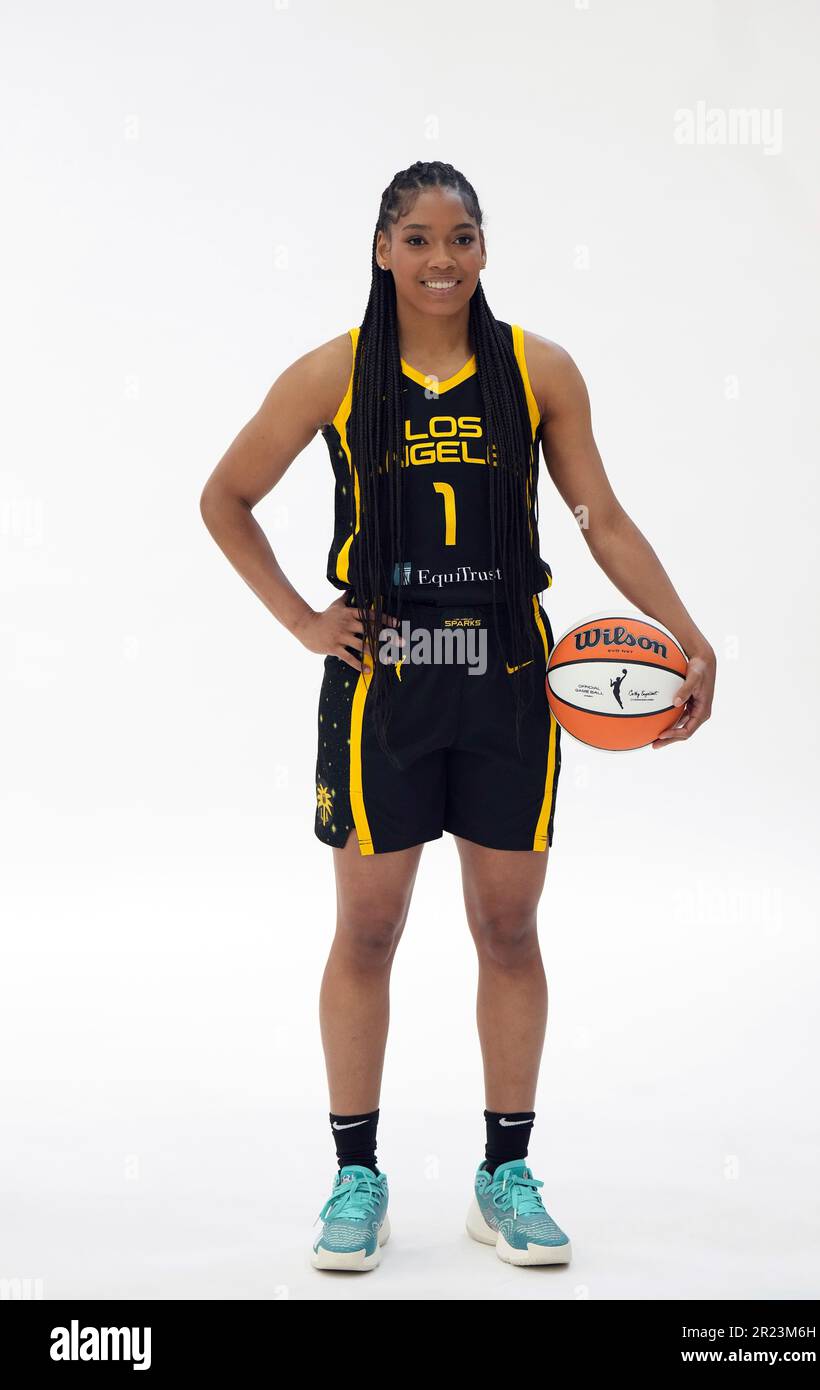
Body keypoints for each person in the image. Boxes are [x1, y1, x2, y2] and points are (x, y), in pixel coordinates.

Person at [199, 160, 716, 1273]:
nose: (443, 260)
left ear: (484, 248)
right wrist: (301, 620)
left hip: (504, 670)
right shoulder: (334, 371)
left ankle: (504, 1173)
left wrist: (687, 633)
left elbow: (600, 517)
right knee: (370, 929)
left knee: (508, 928)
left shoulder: (537, 368)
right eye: (420, 238)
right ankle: (354, 1173)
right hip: (384, 673)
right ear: (381, 247)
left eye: (463, 238)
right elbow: (224, 497)